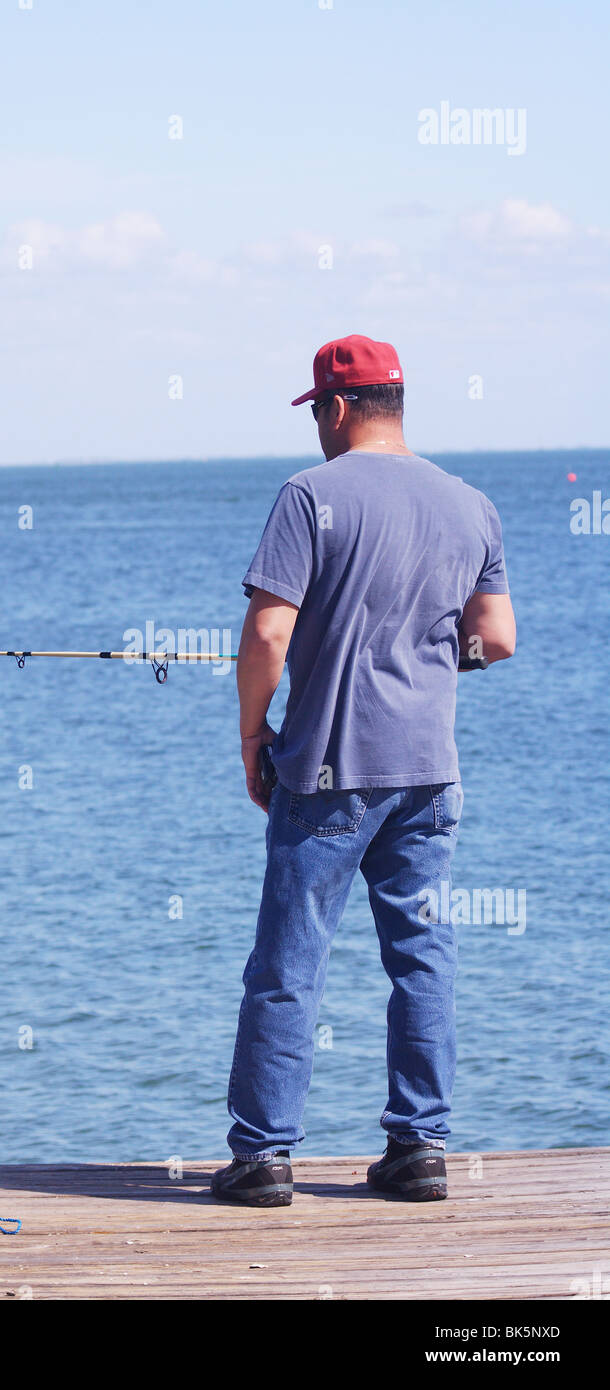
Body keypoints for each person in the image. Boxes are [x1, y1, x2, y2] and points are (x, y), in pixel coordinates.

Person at [212, 334, 516, 1207]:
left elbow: (269, 633)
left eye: (317, 413)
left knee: (289, 963)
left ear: (338, 409)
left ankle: (264, 1158)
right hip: (429, 772)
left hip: (328, 774)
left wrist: (251, 735)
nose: (317, 428)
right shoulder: (470, 504)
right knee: (422, 955)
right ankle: (419, 1148)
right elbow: (496, 638)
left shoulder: (310, 496)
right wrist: (423, 655)